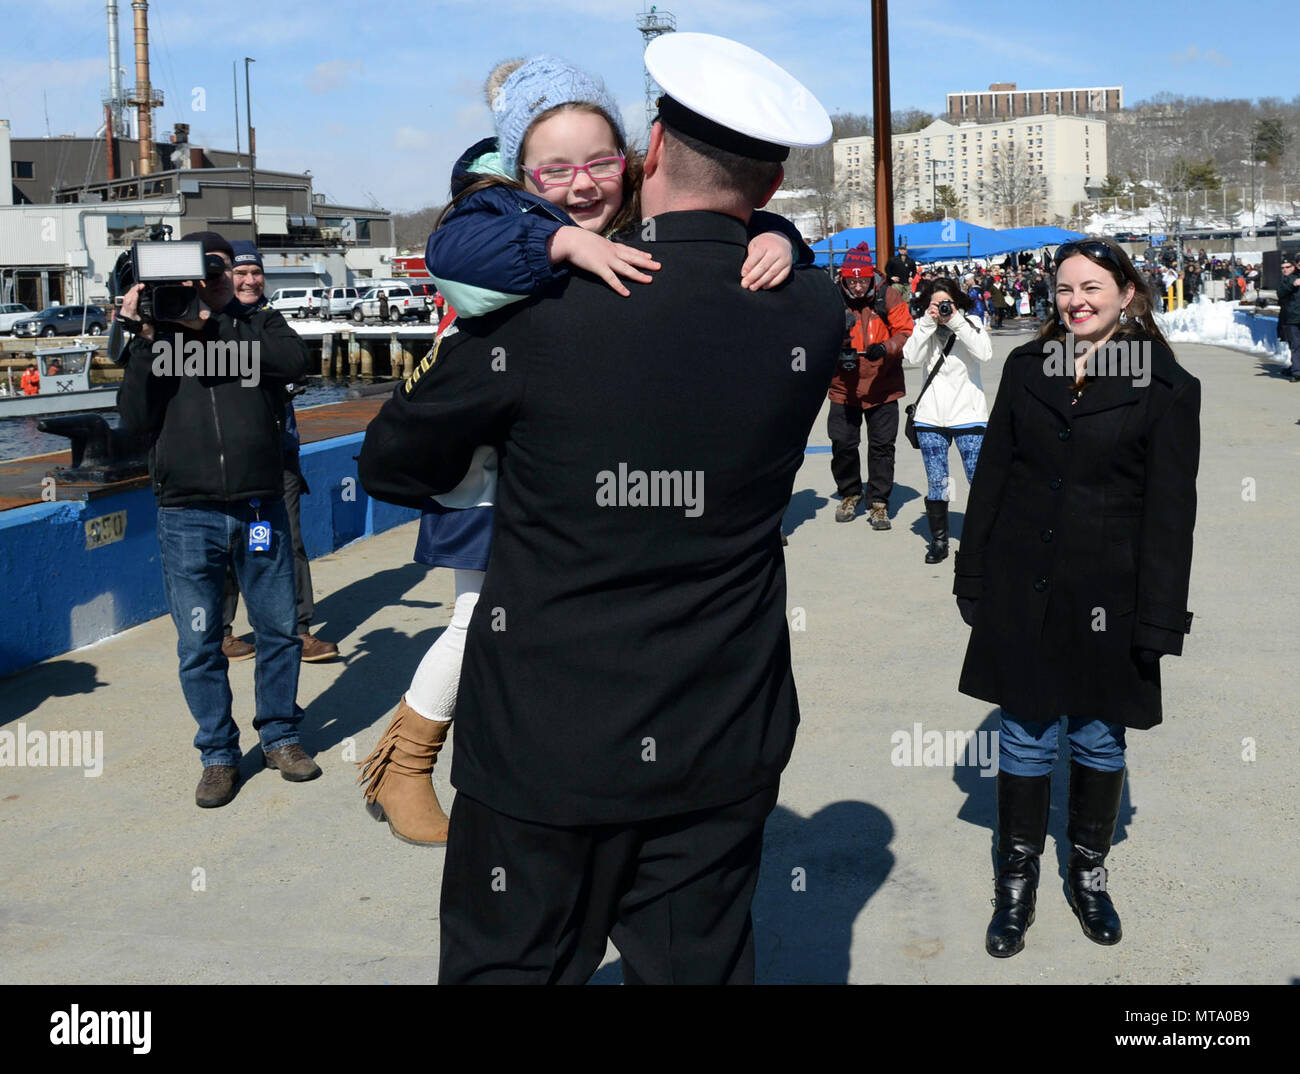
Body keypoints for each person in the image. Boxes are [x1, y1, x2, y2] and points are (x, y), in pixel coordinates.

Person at [359, 31, 842, 984]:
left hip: (548, 747)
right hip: (720, 733)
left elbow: (394, 465)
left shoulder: (540, 315)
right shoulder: (812, 309)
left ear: (648, 152)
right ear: (774, 188)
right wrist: (777, 240)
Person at [953, 236, 1200, 957]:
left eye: (1092, 287)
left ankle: (1088, 872)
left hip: (1111, 593)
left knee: (1097, 732)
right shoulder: (1032, 367)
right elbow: (994, 473)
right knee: (1026, 733)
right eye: (1065, 288)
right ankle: (1017, 880)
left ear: (1127, 293)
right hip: (1024, 586)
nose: (1077, 301)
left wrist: (1159, 615)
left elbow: (1169, 515)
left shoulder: (1165, 384)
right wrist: (973, 572)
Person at [117, 230, 319, 809]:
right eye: (199, 274)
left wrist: (219, 318)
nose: (210, 280)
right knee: (199, 643)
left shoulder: (259, 323)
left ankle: (280, 736)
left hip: (259, 508)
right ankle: (218, 755)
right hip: (187, 513)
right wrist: (147, 336)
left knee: (280, 630)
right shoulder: (160, 332)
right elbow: (134, 417)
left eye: (220, 270)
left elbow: (294, 361)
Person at [219, 241, 339, 664]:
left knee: (288, 540)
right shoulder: (211, 323)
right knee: (231, 543)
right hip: (228, 457)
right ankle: (221, 632)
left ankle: (299, 629)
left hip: (278, 454)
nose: (250, 280)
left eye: (255, 272)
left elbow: (294, 362)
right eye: (240, 273)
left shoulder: (272, 319)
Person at [901, 277, 992, 563]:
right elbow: (911, 356)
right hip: (931, 416)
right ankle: (939, 542)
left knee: (978, 478)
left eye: (945, 303)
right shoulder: (923, 326)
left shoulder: (971, 321)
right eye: (934, 304)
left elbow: (984, 354)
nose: (939, 309)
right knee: (937, 481)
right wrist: (927, 323)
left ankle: (984, 539)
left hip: (968, 415)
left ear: (955, 301)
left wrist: (955, 320)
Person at [828, 243, 914, 528]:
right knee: (842, 443)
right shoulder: (832, 297)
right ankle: (850, 492)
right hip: (844, 386)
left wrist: (887, 347)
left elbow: (905, 331)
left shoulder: (887, 295)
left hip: (883, 385)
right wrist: (836, 346)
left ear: (870, 277)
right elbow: (815, 332)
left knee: (882, 446)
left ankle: (878, 501)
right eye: (851, 280)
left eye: (861, 280)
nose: (856, 286)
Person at [1278, 254, 1300, 381]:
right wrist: (1293, 284)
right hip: (1292, 317)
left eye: (1288, 267)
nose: (1285, 269)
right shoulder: (1289, 279)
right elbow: (1280, 292)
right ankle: (1297, 371)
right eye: (1283, 267)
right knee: (1295, 345)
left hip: (1291, 316)